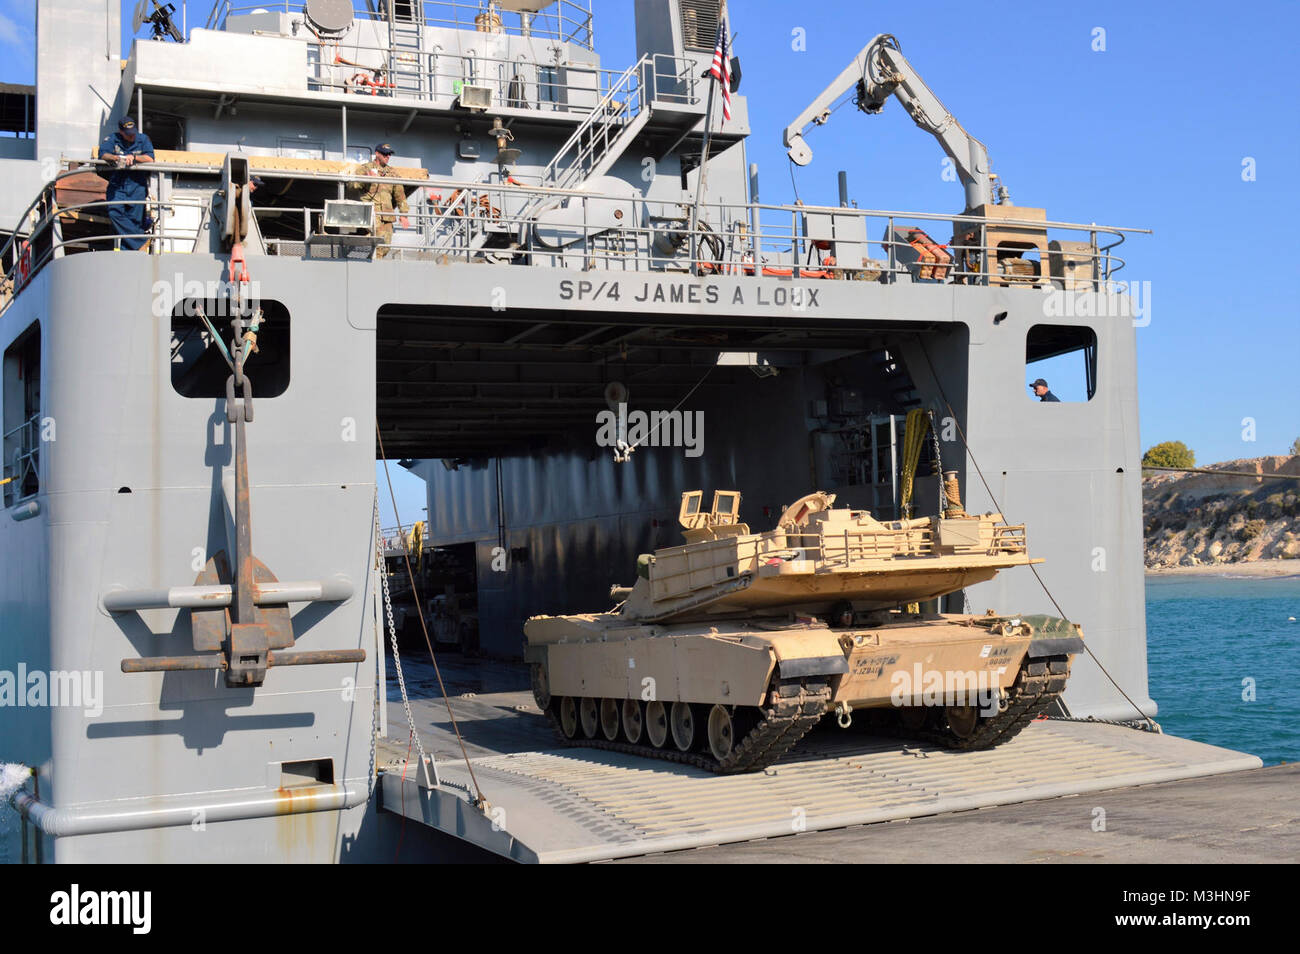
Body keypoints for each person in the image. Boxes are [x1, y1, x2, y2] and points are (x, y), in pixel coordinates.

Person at [100, 117, 155, 250]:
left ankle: (131, 253)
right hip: (117, 185)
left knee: (135, 222)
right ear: (121, 131)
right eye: (128, 134)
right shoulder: (113, 139)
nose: (132, 137)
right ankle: (141, 241)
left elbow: (150, 158)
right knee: (114, 212)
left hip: (137, 186)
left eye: (133, 133)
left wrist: (134, 158)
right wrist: (115, 157)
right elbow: (103, 154)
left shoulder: (143, 139)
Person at [348, 143, 409, 259]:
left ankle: (373, 262)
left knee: (386, 246)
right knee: (378, 243)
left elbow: (400, 194)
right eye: (385, 154)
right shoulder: (365, 168)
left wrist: (404, 214)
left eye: (389, 154)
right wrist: (366, 178)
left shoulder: (392, 173)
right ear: (377, 154)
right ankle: (374, 266)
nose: (388, 157)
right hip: (372, 212)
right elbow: (351, 185)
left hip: (387, 214)